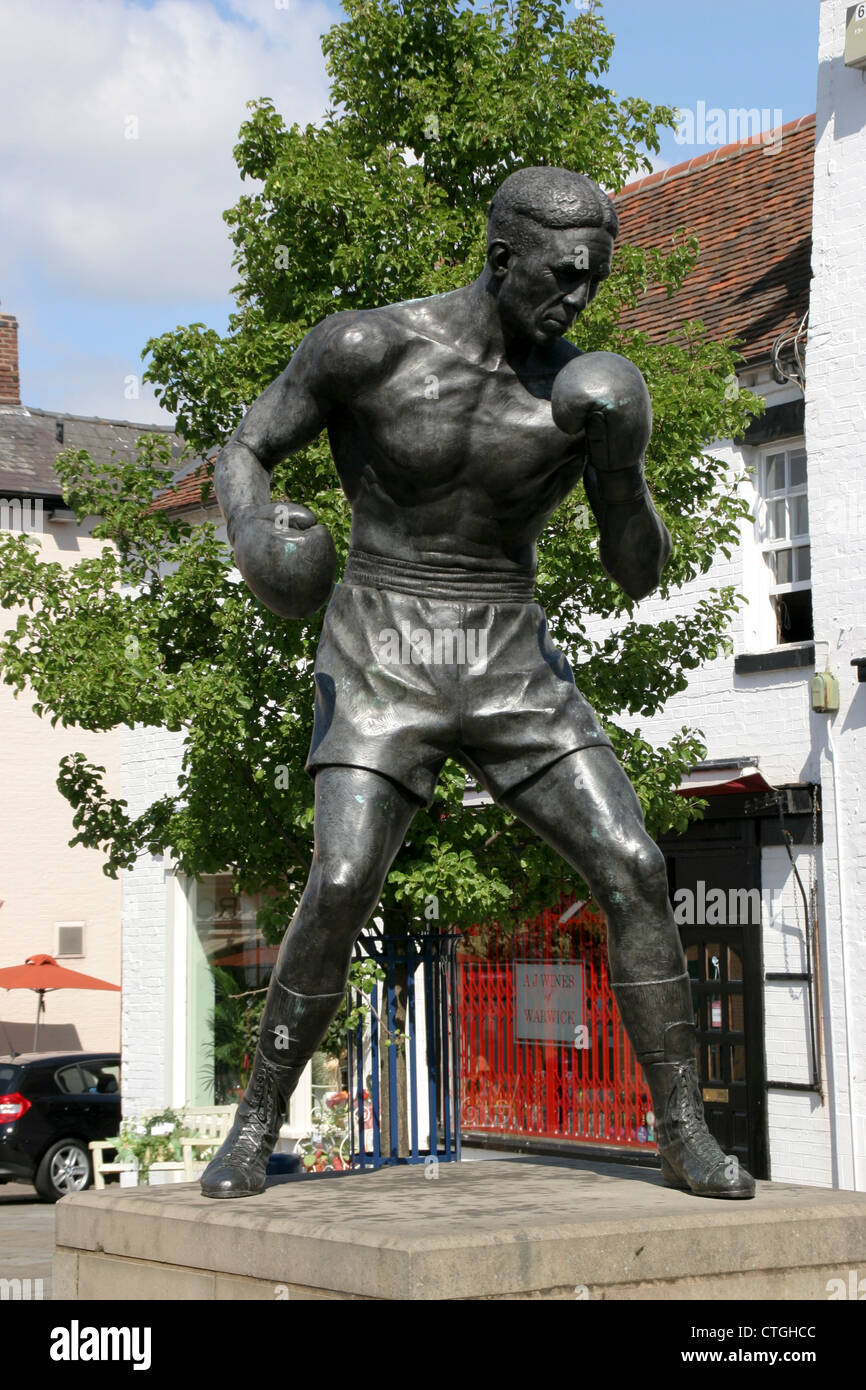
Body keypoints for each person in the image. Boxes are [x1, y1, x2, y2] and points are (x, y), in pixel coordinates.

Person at [202, 166, 754, 1200]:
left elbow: (637, 573)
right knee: (338, 879)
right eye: (560, 275)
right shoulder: (366, 346)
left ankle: (682, 1129)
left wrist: (623, 464)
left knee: (632, 860)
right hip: (380, 637)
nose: (578, 298)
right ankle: (253, 1121)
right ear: (502, 258)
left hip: (508, 647)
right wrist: (251, 530)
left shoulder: (579, 389)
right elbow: (246, 444)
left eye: (593, 277)